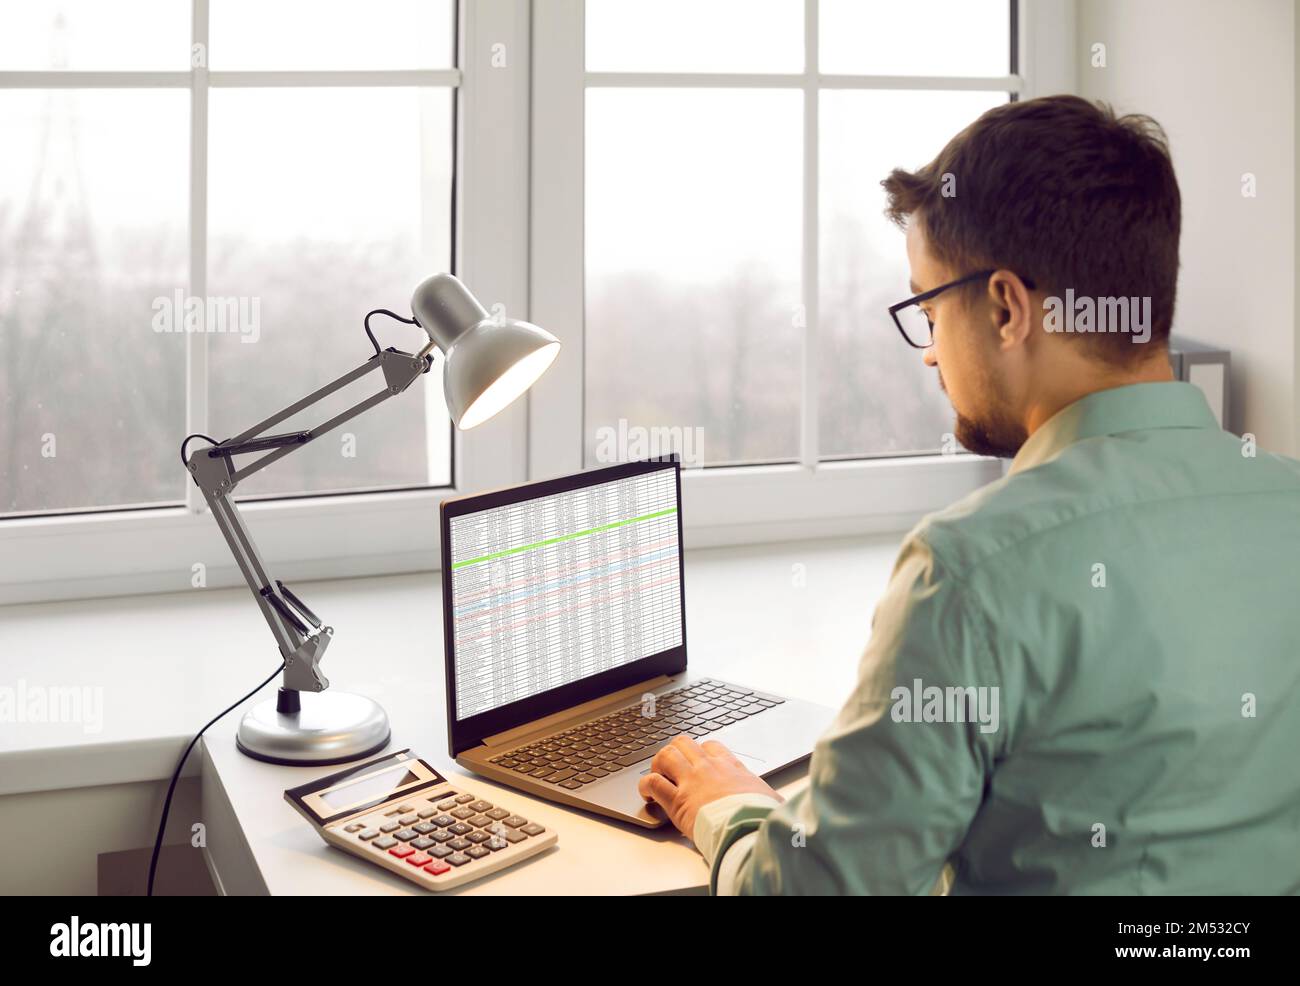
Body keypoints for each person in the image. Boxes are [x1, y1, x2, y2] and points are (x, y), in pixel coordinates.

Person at [638, 94, 1300, 895]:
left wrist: (733, 812)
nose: (928, 356)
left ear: (1005, 308)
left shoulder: (972, 570)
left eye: (927, 305)